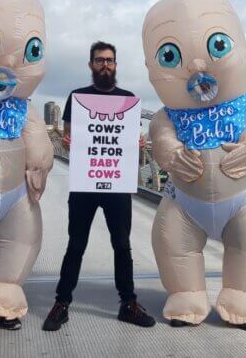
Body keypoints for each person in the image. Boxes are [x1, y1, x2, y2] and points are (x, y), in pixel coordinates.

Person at [42, 41, 156, 331]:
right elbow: (68, 135)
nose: (105, 65)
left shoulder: (128, 99)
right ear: (91, 65)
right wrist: (69, 142)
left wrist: (138, 142)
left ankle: (128, 303)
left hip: (116, 185)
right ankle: (61, 303)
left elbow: (132, 138)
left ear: (116, 65)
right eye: (99, 60)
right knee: (76, 244)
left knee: (122, 244)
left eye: (110, 60)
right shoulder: (77, 97)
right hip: (85, 182)